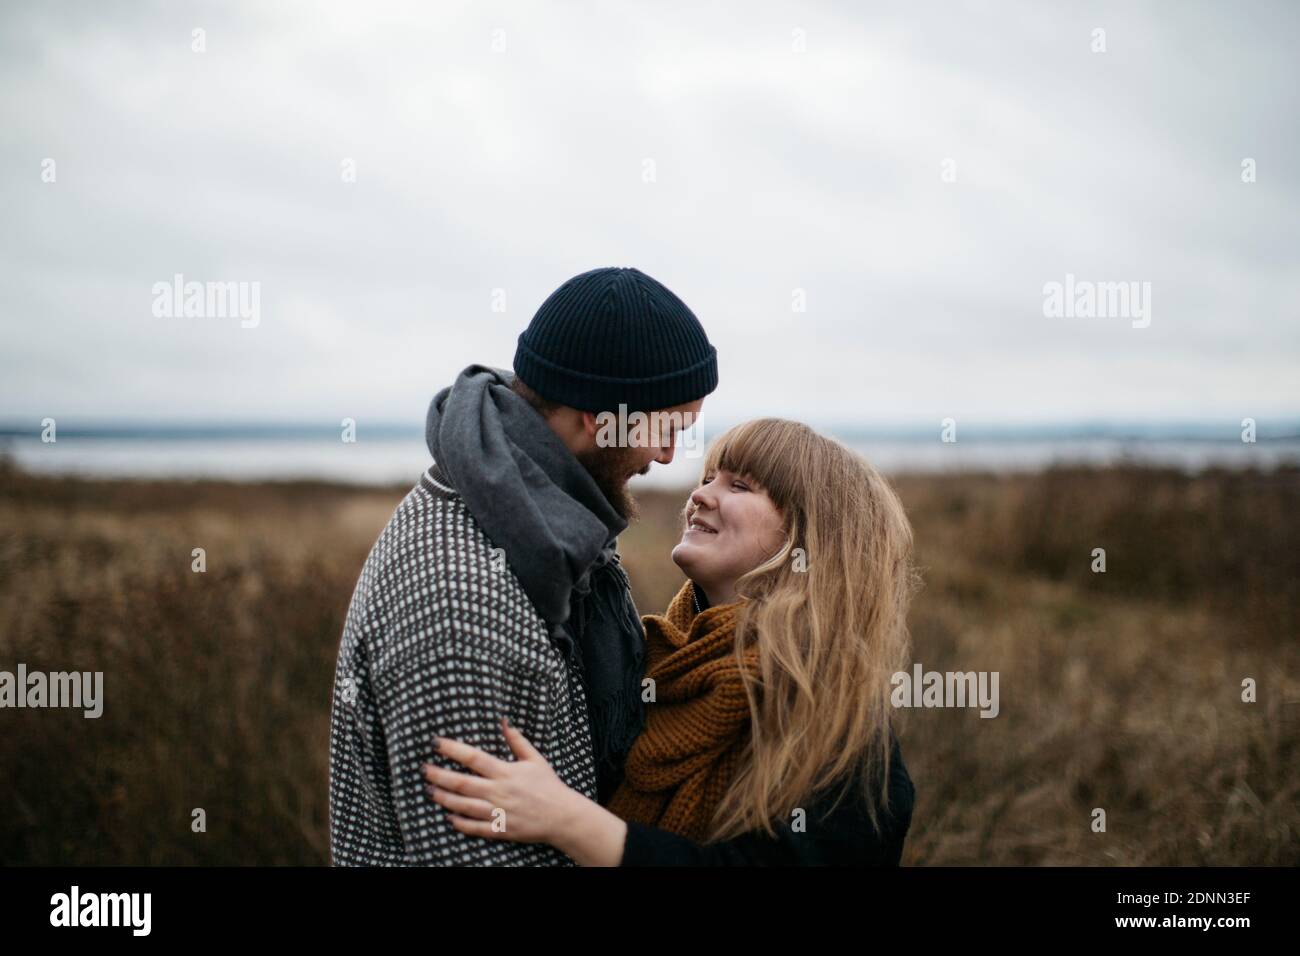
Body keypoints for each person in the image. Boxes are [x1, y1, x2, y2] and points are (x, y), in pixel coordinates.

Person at [327, 266, 718, 865]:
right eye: (666, 428)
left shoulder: (537, 517)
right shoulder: (462, 607)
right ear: (598, 418)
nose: (668, 455)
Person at [422, 418, 920, 865]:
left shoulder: (843, 731)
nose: (700, 495)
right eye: (707, 478)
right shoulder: (651, 660)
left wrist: (571, 822)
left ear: (810, 540)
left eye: (739, 485)